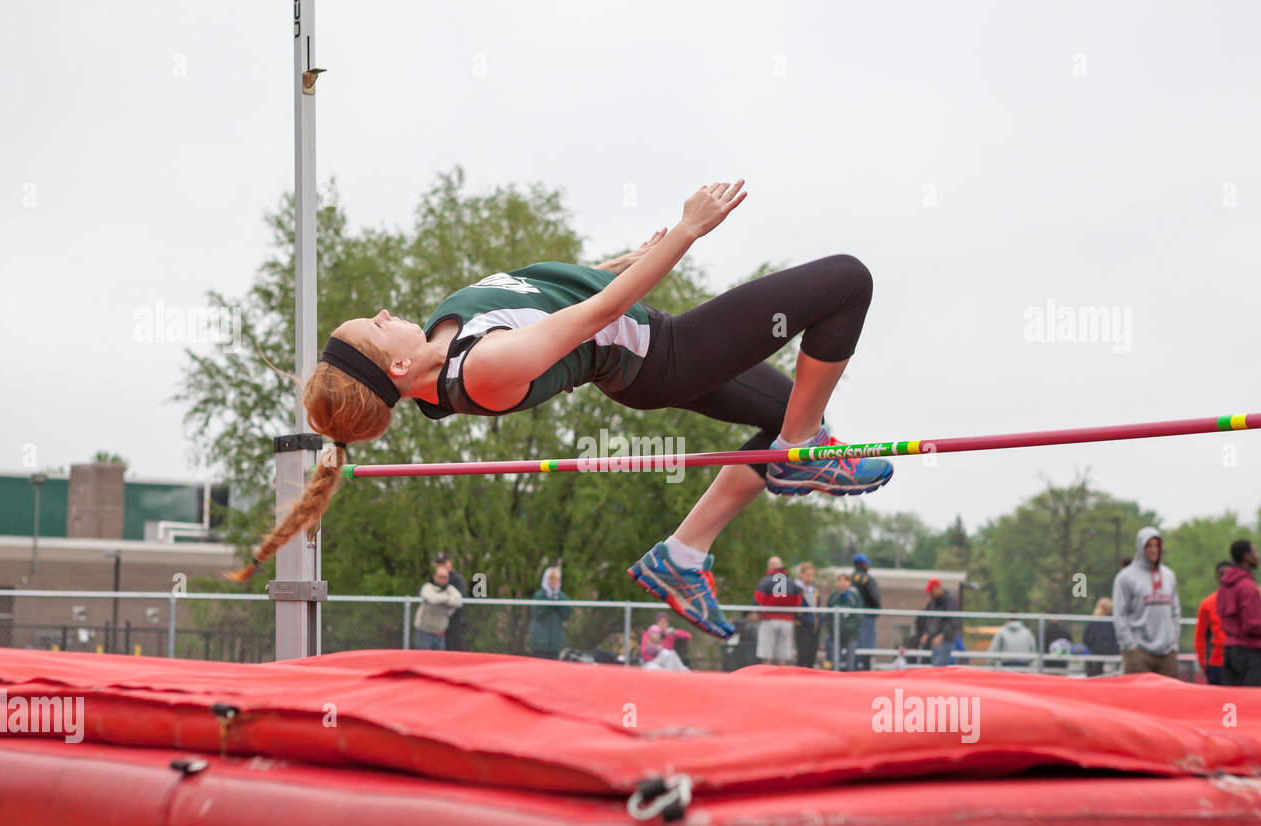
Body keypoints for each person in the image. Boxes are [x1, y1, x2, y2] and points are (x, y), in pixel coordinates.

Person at [224, 182, 894, 642]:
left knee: (781, 419)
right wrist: (685, 234)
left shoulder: (442, 329)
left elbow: (541, 294)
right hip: (663, 354)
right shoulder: (481, 371)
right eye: (374, 327)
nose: (382, 313)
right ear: (396, 369)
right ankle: (805, 452)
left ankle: (683, 555)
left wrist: (623, 259)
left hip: (651, 342)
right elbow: (593, 318)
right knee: (845, 281)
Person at [1111, 526, 1180, 678]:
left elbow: (1175, 612)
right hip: (1139, 652)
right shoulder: (1125, 577)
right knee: (1137, 700)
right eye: (1149, 545)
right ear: (1141, 547)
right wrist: (1130, 646)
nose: (1154, 549)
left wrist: (1173, 643)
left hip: (1167, 652)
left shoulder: (1169, 575)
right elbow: (1120, 614)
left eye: (1157, 545)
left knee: (1170, 700)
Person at [1216, 539, 1261, 687]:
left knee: (1233, 703)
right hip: (1249, 653)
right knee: (1251, 703)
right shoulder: (1248, 587)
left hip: (1229, 651)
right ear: (1246, 557)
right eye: (1254, 552)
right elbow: (1252, 626)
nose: (1257, 555)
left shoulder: (1225, 586)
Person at [754, 556, 801, 666]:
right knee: (782, 657)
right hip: (787, 622)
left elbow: (758, 599)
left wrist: (755, 613)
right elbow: (798, 602)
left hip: (769, 620)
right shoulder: (792, 583)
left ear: (770, 566)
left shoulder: (765, 581)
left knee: (766, 655)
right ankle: (782, 680)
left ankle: (764, 680)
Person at [1194, 563, 1232, 686]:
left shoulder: (1242, 601)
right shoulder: (1207, 603)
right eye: (1222, 574)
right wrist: (1203, 662)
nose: (1225, 578)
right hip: (1216, 662)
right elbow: (1200, 635)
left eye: (1228, 574)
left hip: (1238, 662)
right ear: (1217, 576)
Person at [413, 565, 463, 650]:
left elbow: (459, 602)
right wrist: (447, 599)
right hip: (424, 634)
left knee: (439, 662)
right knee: (423, 661)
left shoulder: (450, 589)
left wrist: (443, 599)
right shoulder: (427, 587)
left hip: (440, 635)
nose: (442, 580)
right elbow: (432, 599)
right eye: (440, 577)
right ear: (435, 576)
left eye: (445, 577)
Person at [528, 566, 571, 660]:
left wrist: (557, 602)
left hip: (555, 643)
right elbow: (536, 614)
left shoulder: (563, 597)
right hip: (540, 643)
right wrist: (550, 603)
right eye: (551, 578)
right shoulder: (539, 596)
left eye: (556, 579)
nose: (554, 581)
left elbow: (566, 615)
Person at [849, 553, 881, 669]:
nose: (868, 565)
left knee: (855, 643)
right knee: (866, 644)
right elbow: (875, 597)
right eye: (866, 563)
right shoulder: (868, 579)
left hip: (852, 618)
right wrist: (876, 610)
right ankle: (865, 669)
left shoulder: (850, 578)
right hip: (867, 616)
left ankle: (855, 667)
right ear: (861, 564)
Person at [917, 578, 959, 666]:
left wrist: (942, 635)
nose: (930, 595)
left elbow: (952, 621)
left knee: (939, 667)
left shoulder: (949, 601)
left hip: (945, 640)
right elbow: (930, 619)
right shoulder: (933, 602)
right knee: (935, 666)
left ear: (937, 588)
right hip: (934, 640)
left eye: (932, 592)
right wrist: (927, 633)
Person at [827, 573, 863, 671]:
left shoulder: (854, 597)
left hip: (851, 635)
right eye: (840, 580)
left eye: (845, 581)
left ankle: (850, 684)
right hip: (835, 635)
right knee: (835, 663)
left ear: (849, 583)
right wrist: (834, 629)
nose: (843, 583)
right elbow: (828, 615)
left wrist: (846, 628)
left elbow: (858, 616)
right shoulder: (834, 596)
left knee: (850, 664)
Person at [435, 551, 471, 650]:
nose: (442, 566)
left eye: (444, 563)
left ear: (449, 563)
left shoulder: (457, 580)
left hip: (454, 623)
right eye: (439, 564)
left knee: (455, 650)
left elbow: (460, 601)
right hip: (438, 624)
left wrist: (446, 611)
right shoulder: (436, 579)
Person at [794, 562, 824, 667]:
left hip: (814, 626)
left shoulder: (815, 590)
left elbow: (817, 608)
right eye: (807, 575)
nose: (809, 578)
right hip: (802, 626)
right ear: (802, 575)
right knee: (803, 656)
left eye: (811, 575)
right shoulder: (796, 589)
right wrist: (802, 618)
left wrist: (819, 621)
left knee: (812, 656)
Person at [1082, 598, 1120, 676]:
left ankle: (1091, 677)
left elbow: (1086, 640)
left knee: (1086, 652)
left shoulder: (1094, 622)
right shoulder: (1115, 621)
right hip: (1114, 650)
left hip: (1096, 651)